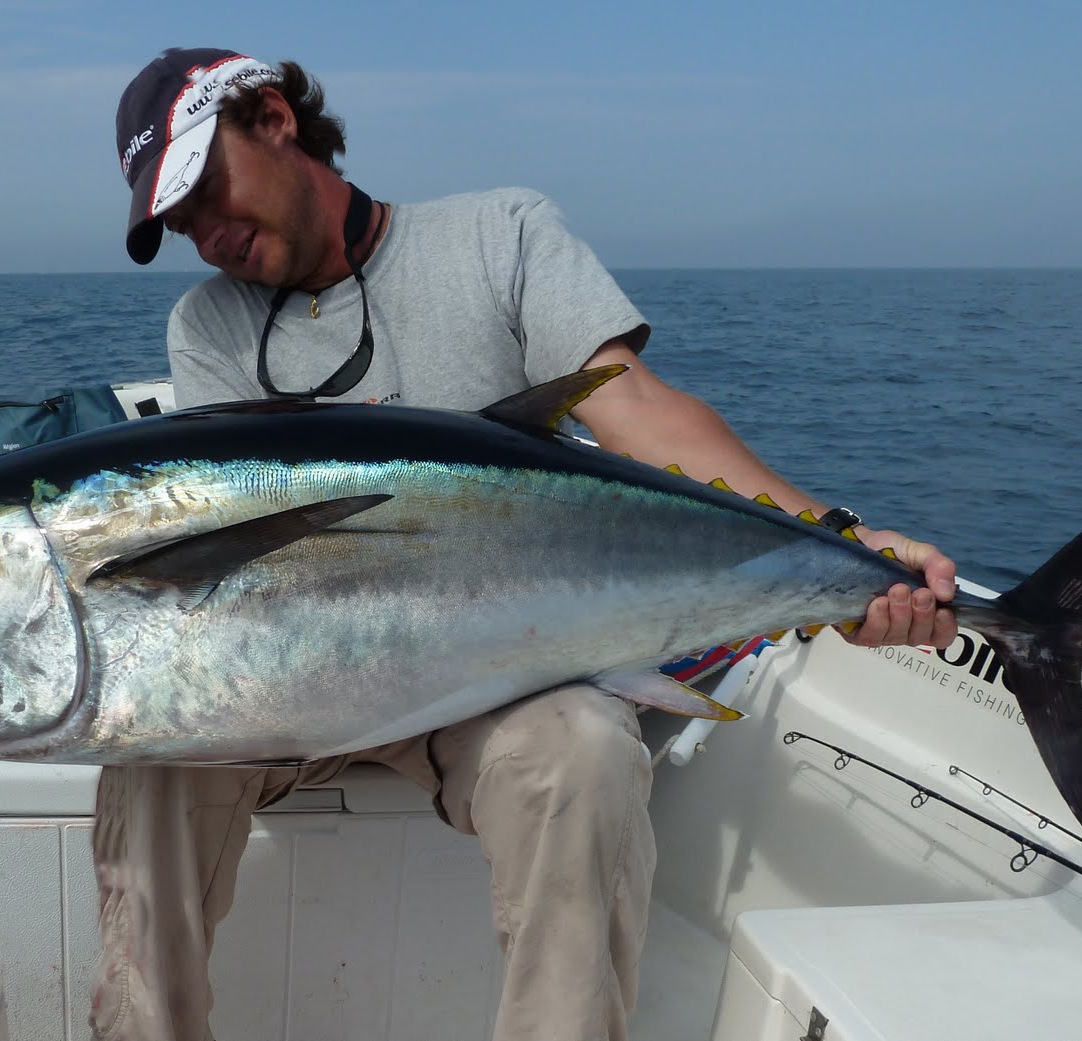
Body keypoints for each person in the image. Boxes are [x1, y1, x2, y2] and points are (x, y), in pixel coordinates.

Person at [94, 47, 959, 1041]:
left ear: (276, 121)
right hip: (285, 688)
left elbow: (635, 408)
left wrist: (838, 545)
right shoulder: (205, 323)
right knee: (147, 758)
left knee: (587, 751)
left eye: (207, 190)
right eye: (180, 222)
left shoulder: (496, 235)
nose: (206, 236)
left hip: (497, 678)